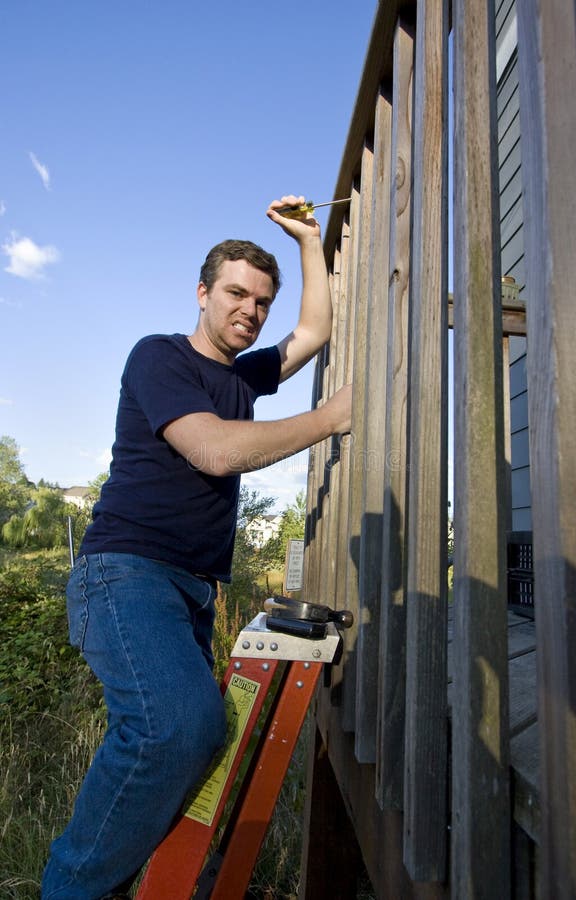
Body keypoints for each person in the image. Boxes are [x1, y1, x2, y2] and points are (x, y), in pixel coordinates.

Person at [41, 195, 352, 899]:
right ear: (203, 292)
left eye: (262, 301)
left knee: (194, 738)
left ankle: (124, 881)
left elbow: (313, 330)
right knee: (175, 729)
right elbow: (212, 451)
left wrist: (308, 240)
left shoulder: (244, 378)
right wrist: (332, 417)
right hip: (124, 574)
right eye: (237, 292)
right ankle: (72, 890)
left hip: (189, 588)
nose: (251, 309)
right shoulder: (160, 357)